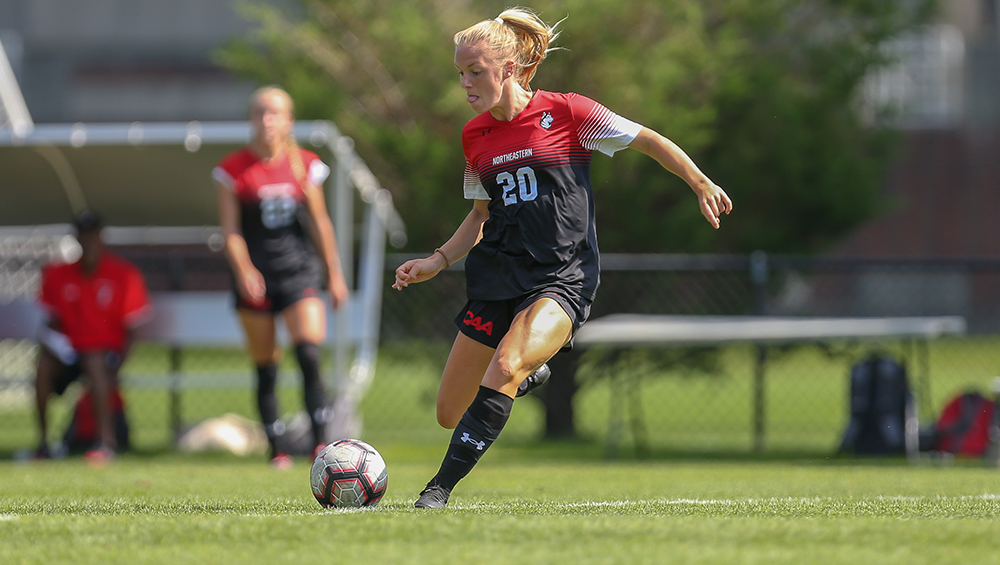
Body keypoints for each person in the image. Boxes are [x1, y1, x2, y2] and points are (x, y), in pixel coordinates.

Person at [392, 8, 732, 508]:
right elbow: (480, 216)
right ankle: (529, 373)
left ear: (508, 69)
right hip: (498, 275)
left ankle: (437, 490)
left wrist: (699, 181)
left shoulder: (567, 112)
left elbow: (647, 140)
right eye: (460, 73)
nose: (465, 83)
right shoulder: (475, 136)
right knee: (450, 410)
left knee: (506, 363)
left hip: (561, 275)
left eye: (476, 72)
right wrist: (437, 260)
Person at [213, 85, 350, 468]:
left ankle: (321, 444)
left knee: (308, 351)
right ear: (250, 119)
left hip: (299, 271)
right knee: (266, 364)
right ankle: (277, 449)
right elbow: (230, 231)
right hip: (256, 275)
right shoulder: (233, 169)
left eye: (274, 113)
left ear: (289, 120)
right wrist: (244, 270)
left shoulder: (304, 164)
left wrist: (334, 275)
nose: (266, 120)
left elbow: (320, 223)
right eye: (259, 112)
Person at [34, 210, 152, 464]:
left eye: (93, 235)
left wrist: (119, 366)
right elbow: (50, 323)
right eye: (83, 235)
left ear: (101, 237)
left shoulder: (124, 274)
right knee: (43, 366)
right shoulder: (57, 273)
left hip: (103, 353)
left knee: (96, 362)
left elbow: (132, 330)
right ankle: (44, 444)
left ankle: (106, 443)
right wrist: (51, 344)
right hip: (69, 352)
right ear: (76, 238)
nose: (88, 241)